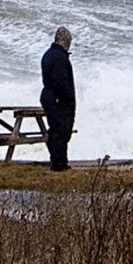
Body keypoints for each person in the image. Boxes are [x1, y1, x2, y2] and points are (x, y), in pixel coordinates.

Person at [39, 25, 76, 170]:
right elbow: (60, 81)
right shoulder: (60, 57)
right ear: (64, 41)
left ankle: (57, 161)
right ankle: (59, 164)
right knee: (61, 131)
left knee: (55, 130)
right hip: (58, 99)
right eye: (69, 41)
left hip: (49, 96)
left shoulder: (49, 54)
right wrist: (68, 97)